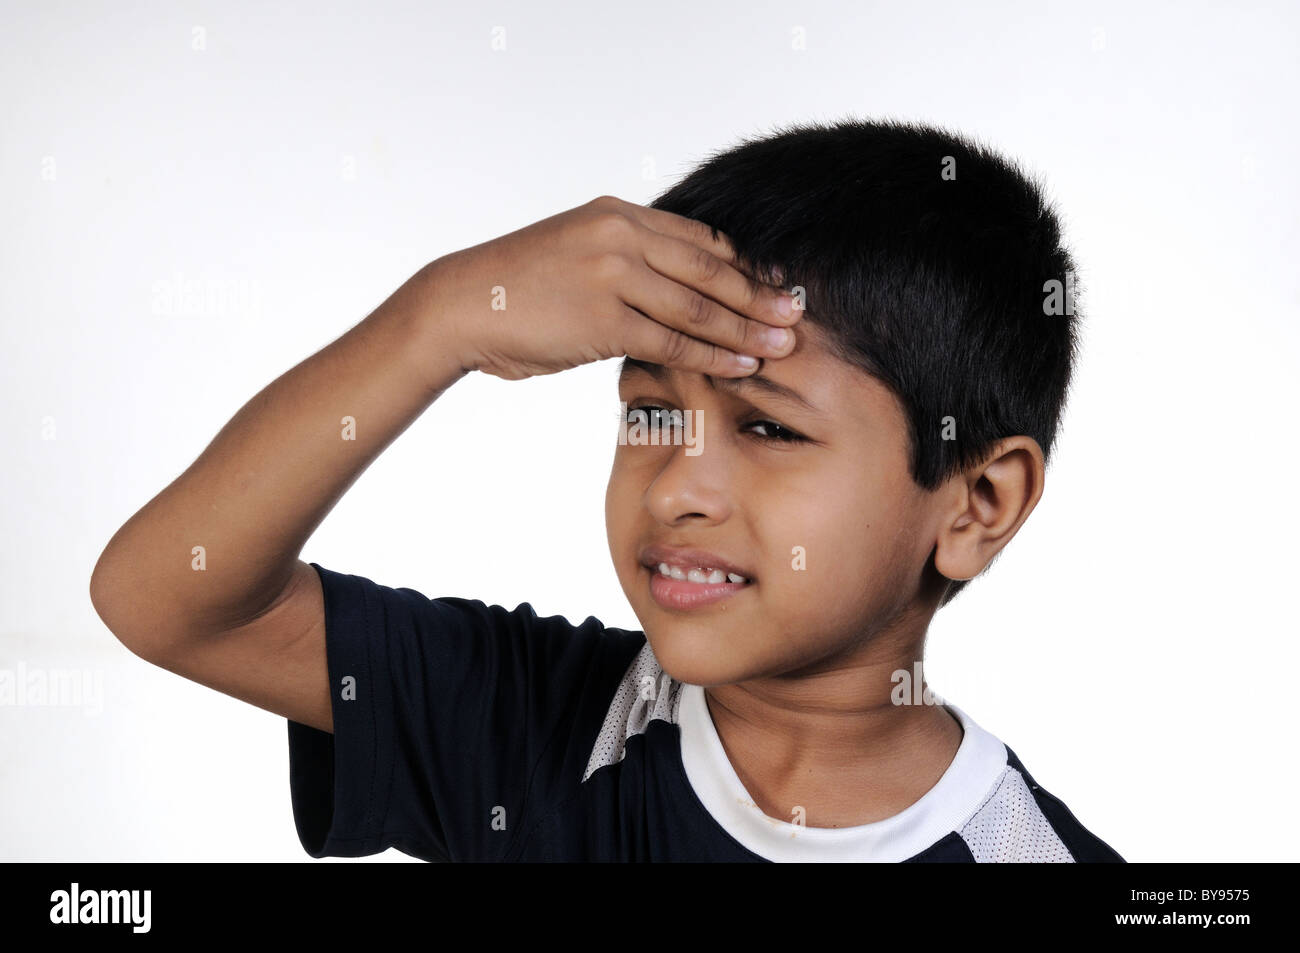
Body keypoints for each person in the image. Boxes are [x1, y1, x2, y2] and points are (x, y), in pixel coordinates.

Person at [90, 118, 1123, 862]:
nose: (677, 484)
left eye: (767, 426)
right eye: (648, 414)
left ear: (977, 502)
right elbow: (170, 596)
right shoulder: (534, 722)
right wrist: (442, 316)